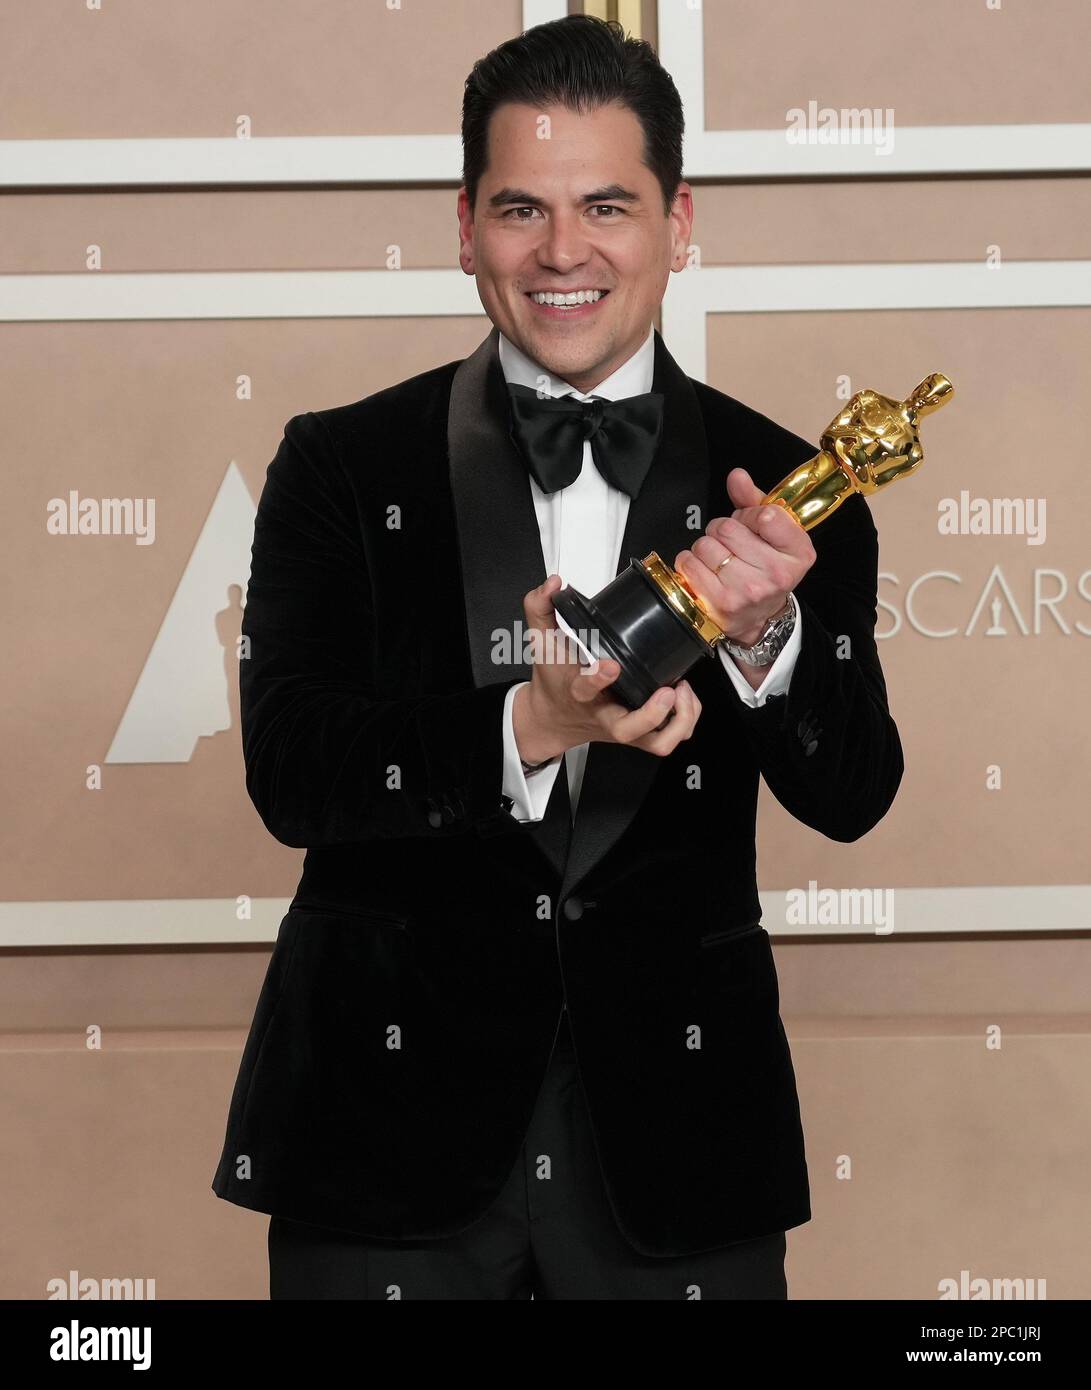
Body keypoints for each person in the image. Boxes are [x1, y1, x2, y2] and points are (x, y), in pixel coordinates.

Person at [211, 14, 903, 1300]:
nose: (562, 251)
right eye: (520, 209)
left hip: (682, 1158)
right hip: (382, 1150)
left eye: (606, 204)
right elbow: (294, 776)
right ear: (463, 223)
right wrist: (530, 726)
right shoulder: (340, 466)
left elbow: (853, 793)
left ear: (678, 221)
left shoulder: (790, 498)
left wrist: (763, 637)